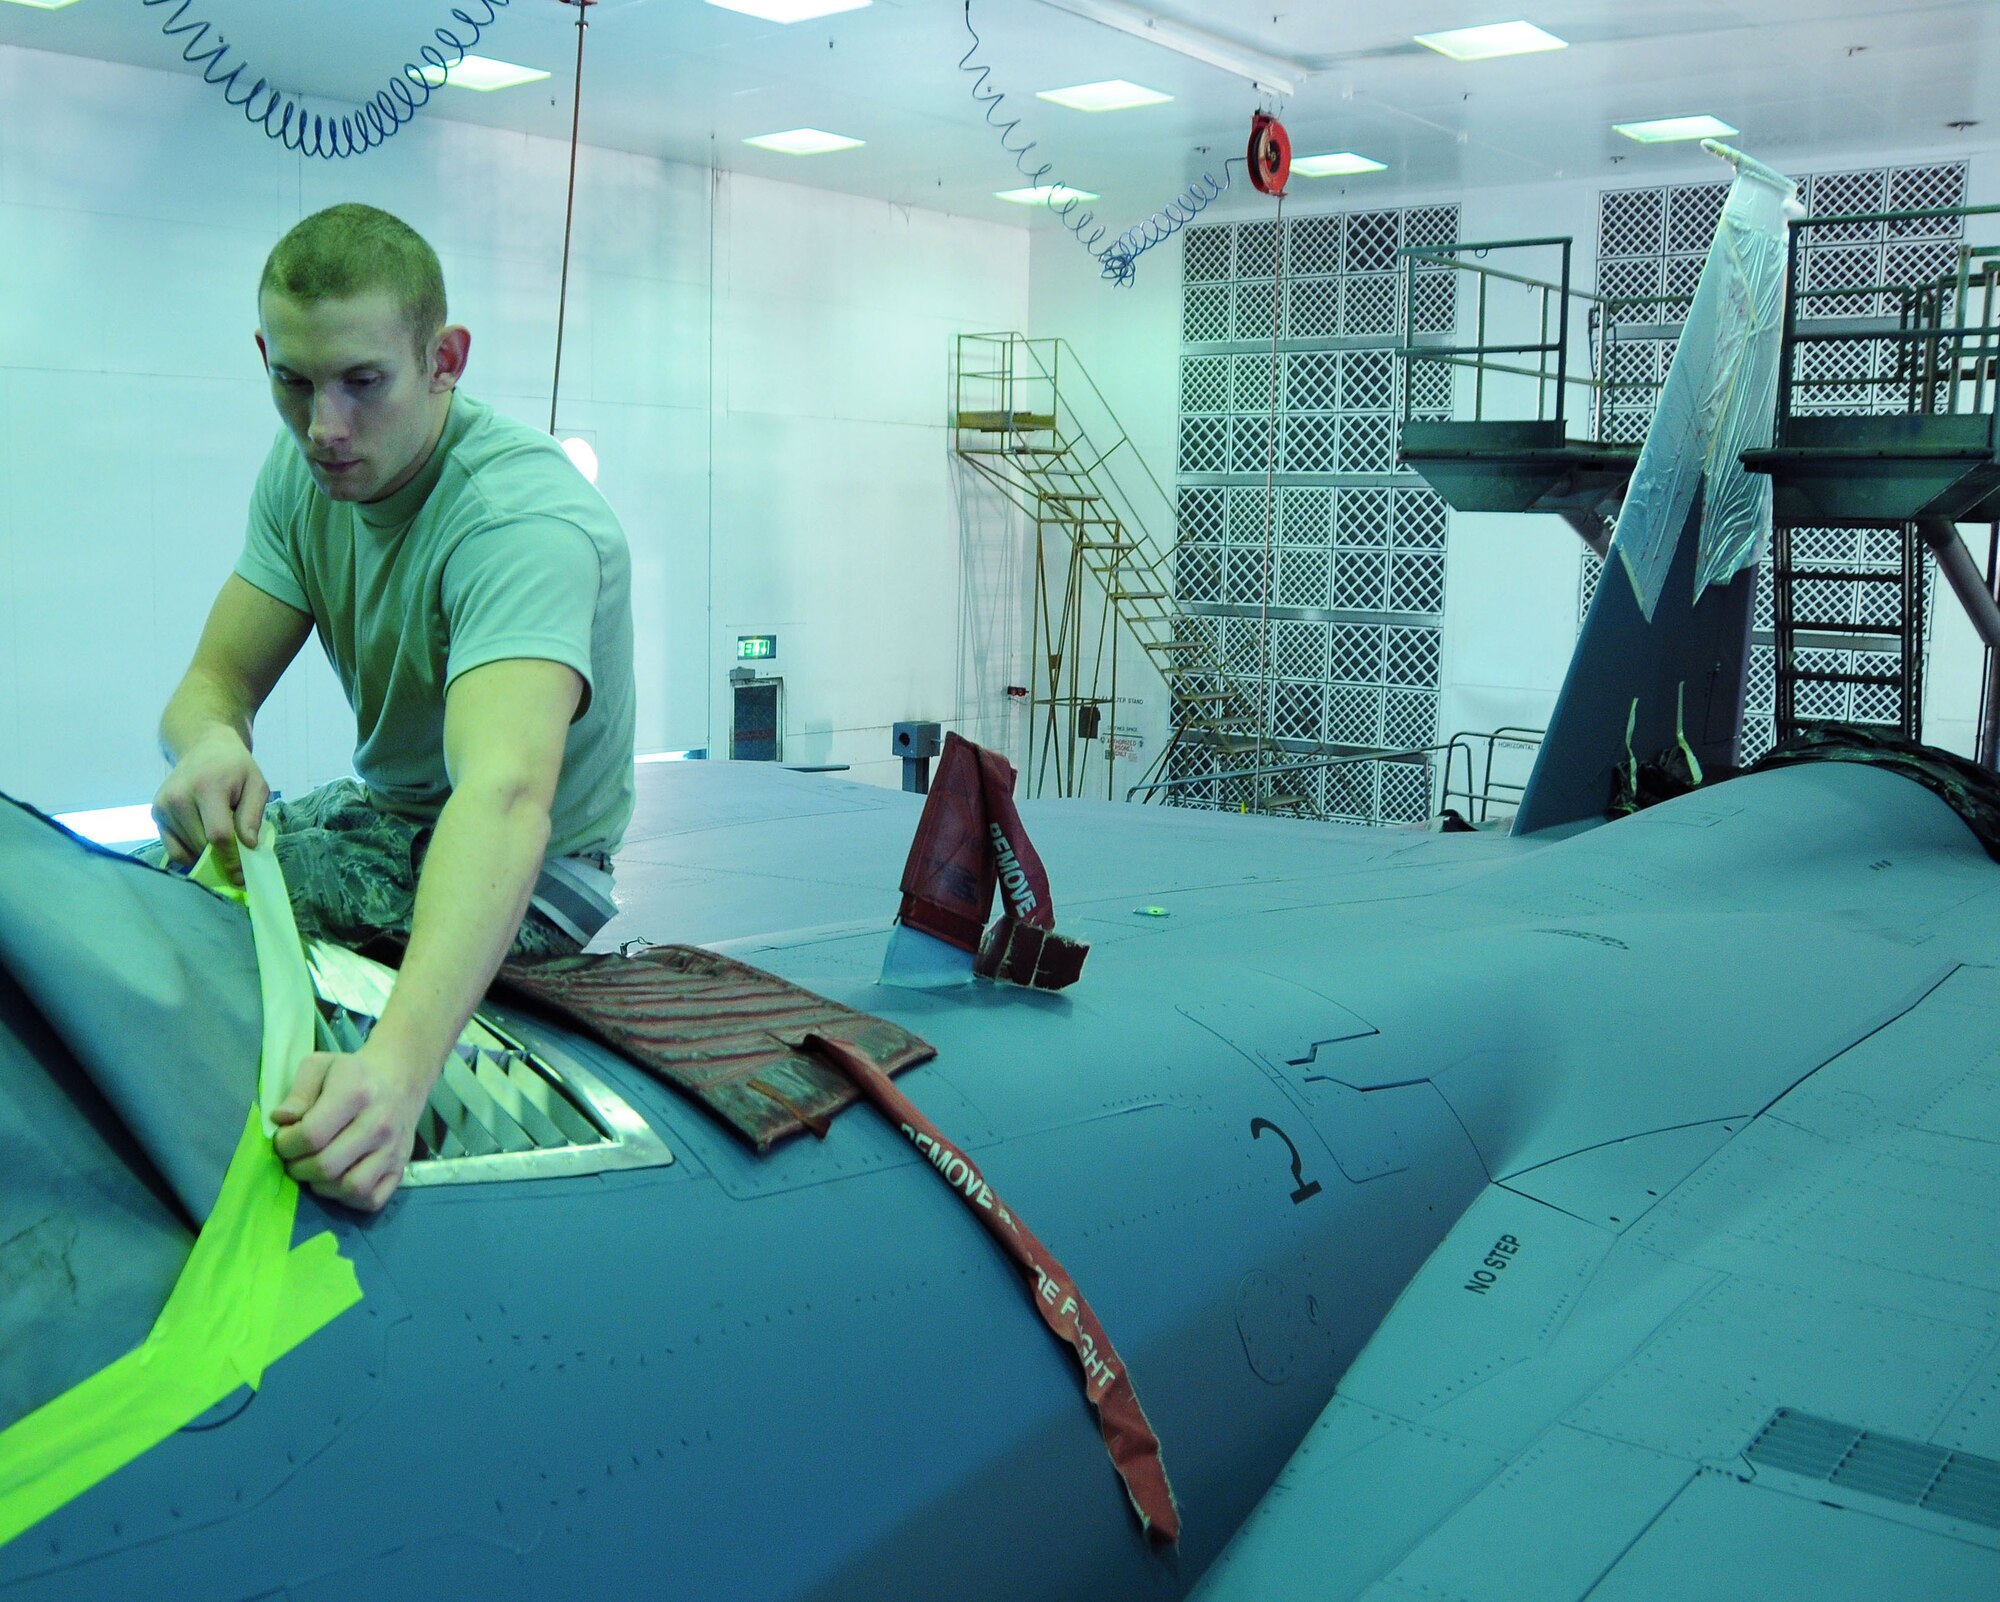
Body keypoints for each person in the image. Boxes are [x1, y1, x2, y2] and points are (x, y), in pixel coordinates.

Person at [144, 203, 637, 1213]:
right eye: (293, 381)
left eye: (363, 383)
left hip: (541, 871)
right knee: (169, 871)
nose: (325, 426)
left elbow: (502, 798)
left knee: (196, 913)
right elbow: (213, 687)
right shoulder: (305, 475)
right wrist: (205, 749)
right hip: (396, 812)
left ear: (444, 359)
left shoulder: (519, 524)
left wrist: (397, 1074)